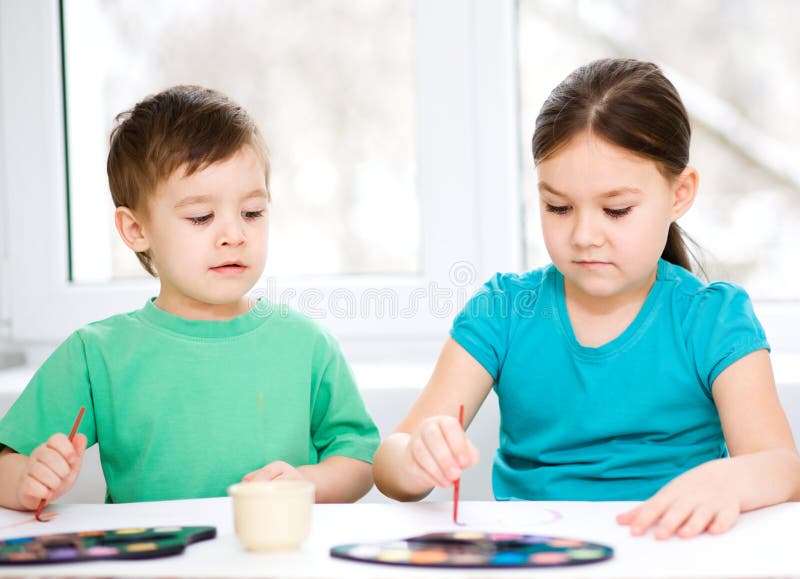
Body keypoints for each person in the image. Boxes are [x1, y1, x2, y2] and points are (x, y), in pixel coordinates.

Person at [373, 58, 800, 539]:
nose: (583, 235)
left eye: (616, 210)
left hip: (672, 552)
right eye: (558, 206)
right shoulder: (504, 312)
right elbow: (390, 465)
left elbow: (784, 469)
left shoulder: (713, 320)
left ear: (680, 194)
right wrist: (415, 458)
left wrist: (732, 480)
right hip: (534, 557)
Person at [0, 85, 379, 508]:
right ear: (136, 230)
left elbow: (361, 458)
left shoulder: (306, 344)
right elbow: (6, 463)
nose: (234, 235)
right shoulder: (97, 355)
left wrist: (311, 483)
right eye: (201, 217)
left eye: (252, 212)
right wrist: (27, 480)